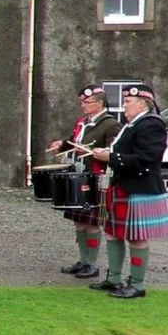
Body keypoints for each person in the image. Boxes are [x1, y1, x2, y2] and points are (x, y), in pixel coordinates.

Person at [89, 84, 168, 299]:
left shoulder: (151, 124)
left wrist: (111, 158)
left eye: (127, 101)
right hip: (123, 186)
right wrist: (108, 152)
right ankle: (114, 278)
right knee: (112, 233)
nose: (123, 105)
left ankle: (137, 284)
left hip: (140, 188)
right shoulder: (131, 124)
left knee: (136, 238)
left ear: (142, 103)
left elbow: (147, 159)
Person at [47, 85, 121, 279]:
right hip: (79, 175)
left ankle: (92, 263)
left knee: (91, 224)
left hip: (95, 178)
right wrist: (60, 145)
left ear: (99, 103)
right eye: (82, 102)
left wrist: (91, 153)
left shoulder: (110, 125)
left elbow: (112, 151)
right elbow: (73, 141)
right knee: (78, 221)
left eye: (87, 102)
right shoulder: (83, 121)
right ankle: (82, 260)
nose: (83, 105)